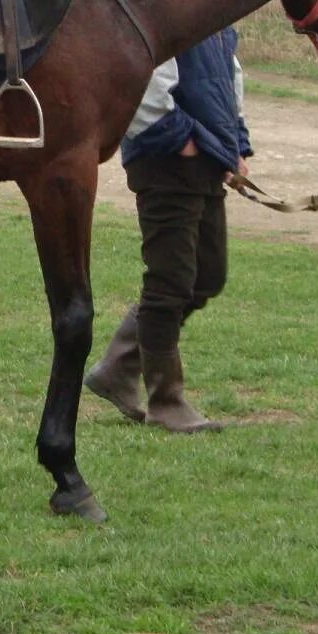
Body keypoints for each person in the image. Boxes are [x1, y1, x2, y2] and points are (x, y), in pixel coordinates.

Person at [84, 26, 251, 433]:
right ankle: (166, 400)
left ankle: (117, 368)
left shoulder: (217, 17)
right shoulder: (169, 8)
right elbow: (141, 77)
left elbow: (228, 77)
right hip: (165, 160)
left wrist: (234, 146)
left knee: (207, 276)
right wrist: (178, 139)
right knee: (170, 281)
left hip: (206, 157)